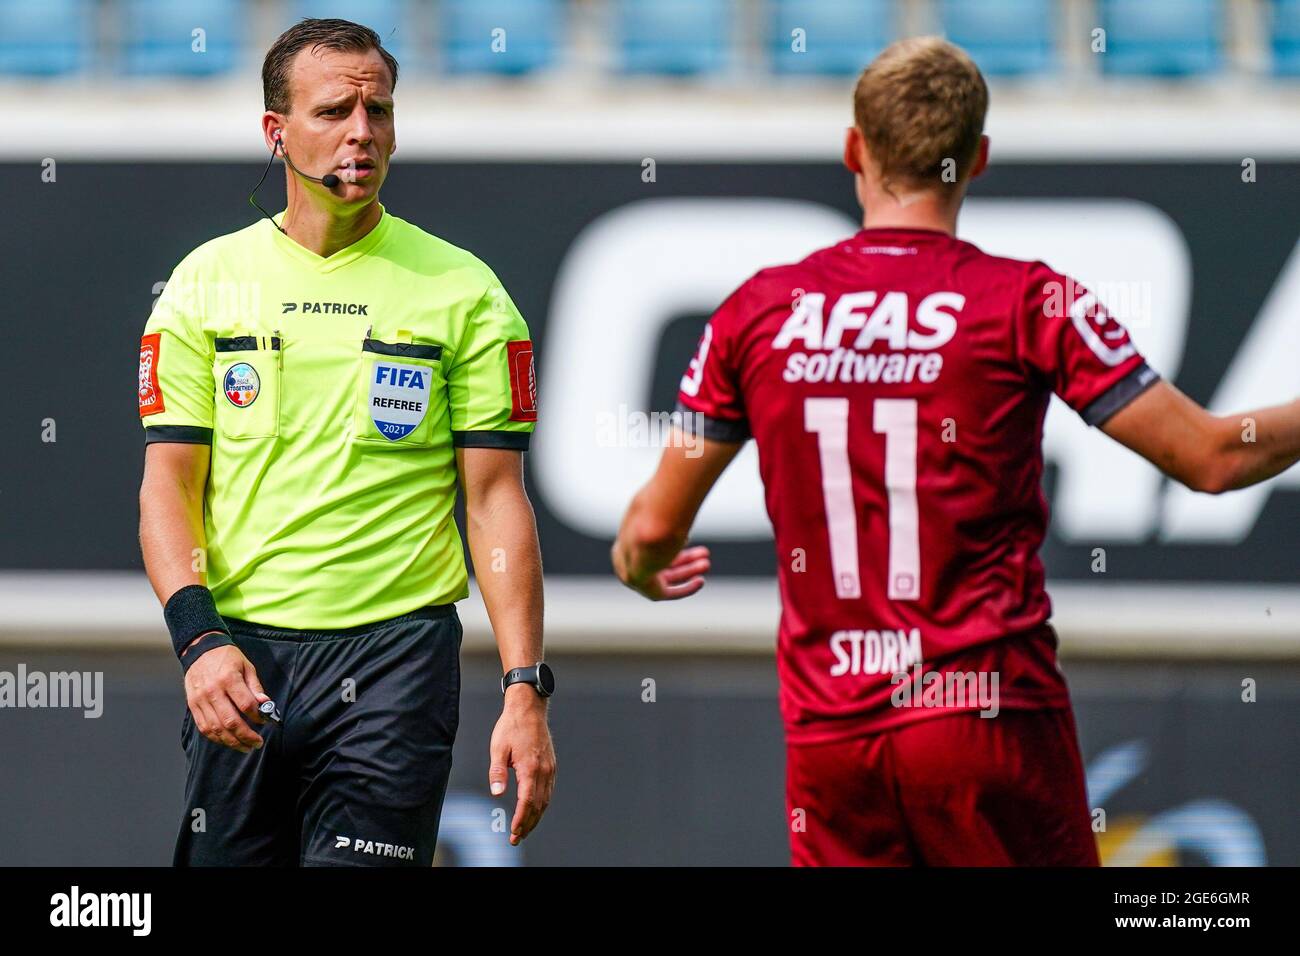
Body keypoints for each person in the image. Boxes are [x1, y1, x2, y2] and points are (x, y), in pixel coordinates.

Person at [611, 36, 1300, 866]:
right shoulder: (1029, 302)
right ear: (976, 159)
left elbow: (651, 530)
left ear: (854, 150)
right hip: (986, 716)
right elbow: (1216, 456)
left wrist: (645, 570)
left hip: (834, 737)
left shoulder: (759, 312)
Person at [138, 18, 555, 866]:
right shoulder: (203, 284)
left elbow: (495, 499)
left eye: (379, 112)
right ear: (277, 132)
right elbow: (167, 489)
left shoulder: (466, 291)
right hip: (241, 655)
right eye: (334, 111)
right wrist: (199, 641)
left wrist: (524, 687)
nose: (362, 133)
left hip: (397, 662)